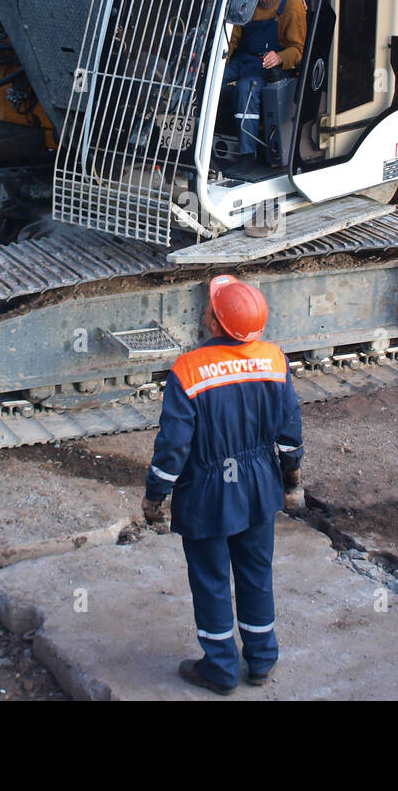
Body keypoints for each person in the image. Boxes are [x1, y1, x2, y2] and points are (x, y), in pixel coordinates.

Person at [141, 274, 304, 694]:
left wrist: (155, 494)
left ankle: (219, 669)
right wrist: (290, 476)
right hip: (258, 486)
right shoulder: (274, 360)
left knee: (211, 578)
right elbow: (290, 433)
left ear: (215, 320)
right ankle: (262, 660)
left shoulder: (188, 369)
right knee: (255, 574)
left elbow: (174, 445)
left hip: (208, 492)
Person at [222, 0, 307, 160]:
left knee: (246, 89)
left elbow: (297, 48)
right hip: (241, 60)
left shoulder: (291, 6)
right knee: (211, 82)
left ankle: (247, 154)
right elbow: (233, 38)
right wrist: (219, 62)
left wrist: (278, 57)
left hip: (264, 67)